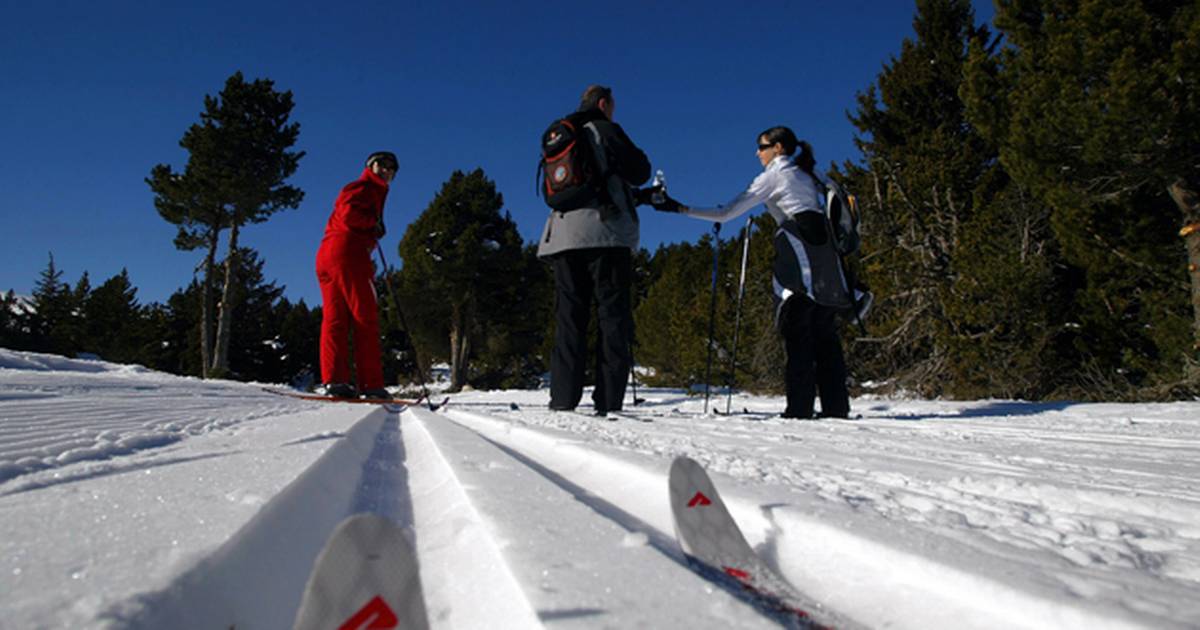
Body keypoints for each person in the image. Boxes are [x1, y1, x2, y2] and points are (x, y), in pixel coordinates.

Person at [650, 126, 869, 419]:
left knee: (797, 330)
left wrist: (679, 208)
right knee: (825, 333)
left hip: (797, 249)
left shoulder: (775, 175)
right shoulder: (811, 172)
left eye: (761, 146)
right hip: (827, 254)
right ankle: (836, 408)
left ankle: (799, 409)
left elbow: (728, 212)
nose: (757, 152)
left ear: (778, 148)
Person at [537, 85, 652, 416]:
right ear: (604, 104)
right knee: (612, 316)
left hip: (562, 236)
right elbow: (639, 171)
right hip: (606, 233)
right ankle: (608, 400)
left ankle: (562, 397)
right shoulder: (604, 128)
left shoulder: (561, 133)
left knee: (569, 317)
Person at [315, 151, 397, 399]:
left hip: (328, 255)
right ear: (369, 166)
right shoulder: (363, 187)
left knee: (335, 318)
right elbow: (349, 214)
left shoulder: (370, 190)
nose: (386, 170)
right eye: (381, 164)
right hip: (348, 253)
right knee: (365, 317)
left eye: (391, 168)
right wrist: (373, 224)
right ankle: (370, 384)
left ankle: (336, 381)